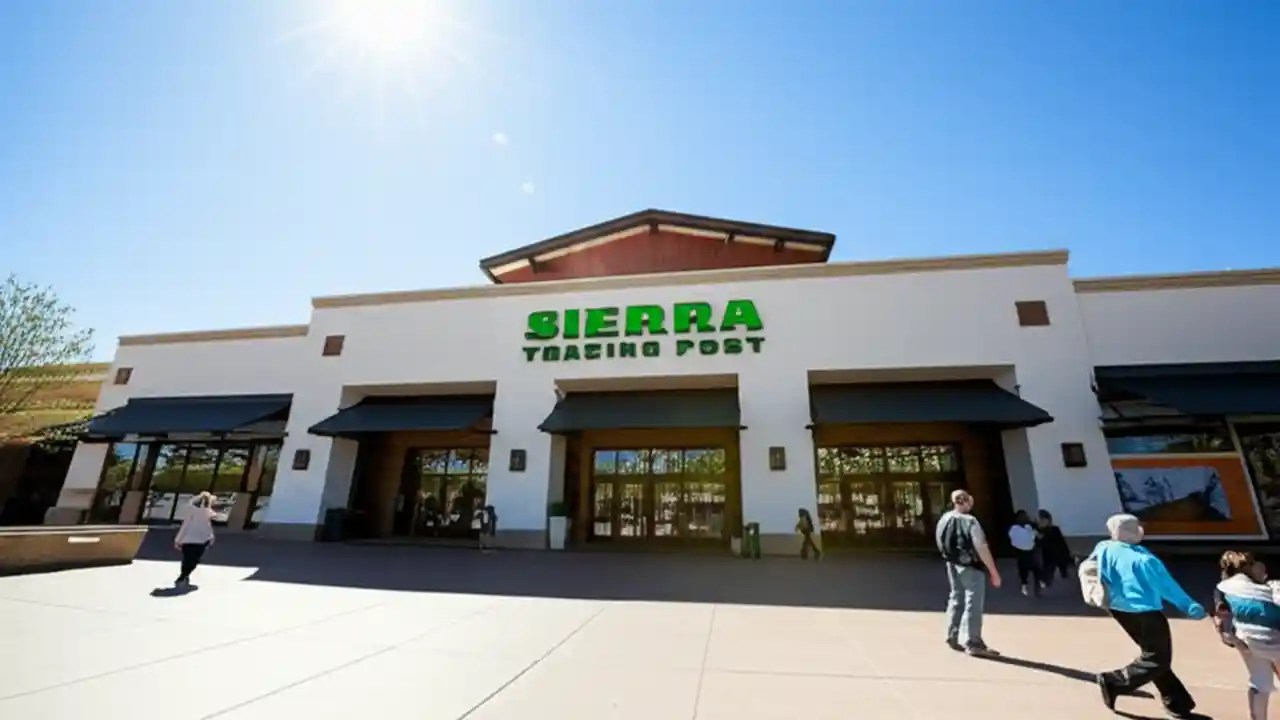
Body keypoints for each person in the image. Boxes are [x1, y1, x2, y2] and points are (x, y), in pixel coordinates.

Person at [1092, 513, 1205, 718]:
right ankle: (1114, 681)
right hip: (1145, 612)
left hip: (1118, 610)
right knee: (1157, 659)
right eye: (1137, 527)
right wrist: (1189, 606)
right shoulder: (1144, 559)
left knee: (1151, 656)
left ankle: (1177, 702)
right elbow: (1167, 587)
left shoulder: (1104, 548)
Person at [935, 489, 1002, 657]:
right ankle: (973, 641)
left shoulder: (945, 519)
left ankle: (952, 633)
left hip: (952, 563)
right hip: (970, 566)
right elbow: (981, 546)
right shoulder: (970, 521)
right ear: (967, 501)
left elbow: (939, 540)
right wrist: (993, 571)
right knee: (974, 599)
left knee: (956, 595)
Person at [1214, 551, 1280, 720]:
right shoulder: (1271, 587)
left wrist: (1233, 641)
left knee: (1259, 683)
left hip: (1246, 641)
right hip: (1276, 639)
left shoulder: (1222, 588)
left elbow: (1222, 623)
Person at [173, 492, 216, 587]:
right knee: (195, 560)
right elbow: (208, 526)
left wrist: (178, 540)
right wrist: (211, 537)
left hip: (188, 540)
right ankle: (185, 575)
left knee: (187, 559)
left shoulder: (191, 511)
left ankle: (183, 575)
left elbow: (185, 526)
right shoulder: (208, 513)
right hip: (202, 541)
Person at [1008, 510, 1043, 597]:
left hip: (1029, 551)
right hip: (1023, 552)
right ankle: (1025, 584)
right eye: (1024, 516)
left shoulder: (1028, 526)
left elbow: (1036, 536)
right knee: (1025, 569)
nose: (1026, 518)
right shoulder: (1015, 529)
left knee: (1034, 569)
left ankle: (1035, 585)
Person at [1036, 509, 1074, 588]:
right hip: (1047, 554)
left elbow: (1061, 542)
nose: (1041, 521)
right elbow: (1038, 543)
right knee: (1048, 568)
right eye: (1040, 519)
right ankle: (1046, 582)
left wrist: (1067, 552)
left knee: (1062, 564)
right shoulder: (1038, 531)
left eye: (1043, 519)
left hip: (1058, 552)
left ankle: (1064, 574)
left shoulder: (1054, 529)